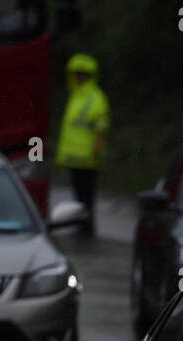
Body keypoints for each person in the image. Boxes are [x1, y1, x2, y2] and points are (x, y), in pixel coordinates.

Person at [56, 53, 110, 237]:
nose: (79, 77)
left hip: (87, 160)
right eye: (76, 74)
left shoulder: (95, 97)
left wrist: (96, 149)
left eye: (83, 74)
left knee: (86, 199)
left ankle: (86, 231)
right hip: (75, 159)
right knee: (79, 199)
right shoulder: (76, 96)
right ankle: (82, 229)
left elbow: (100, 127)